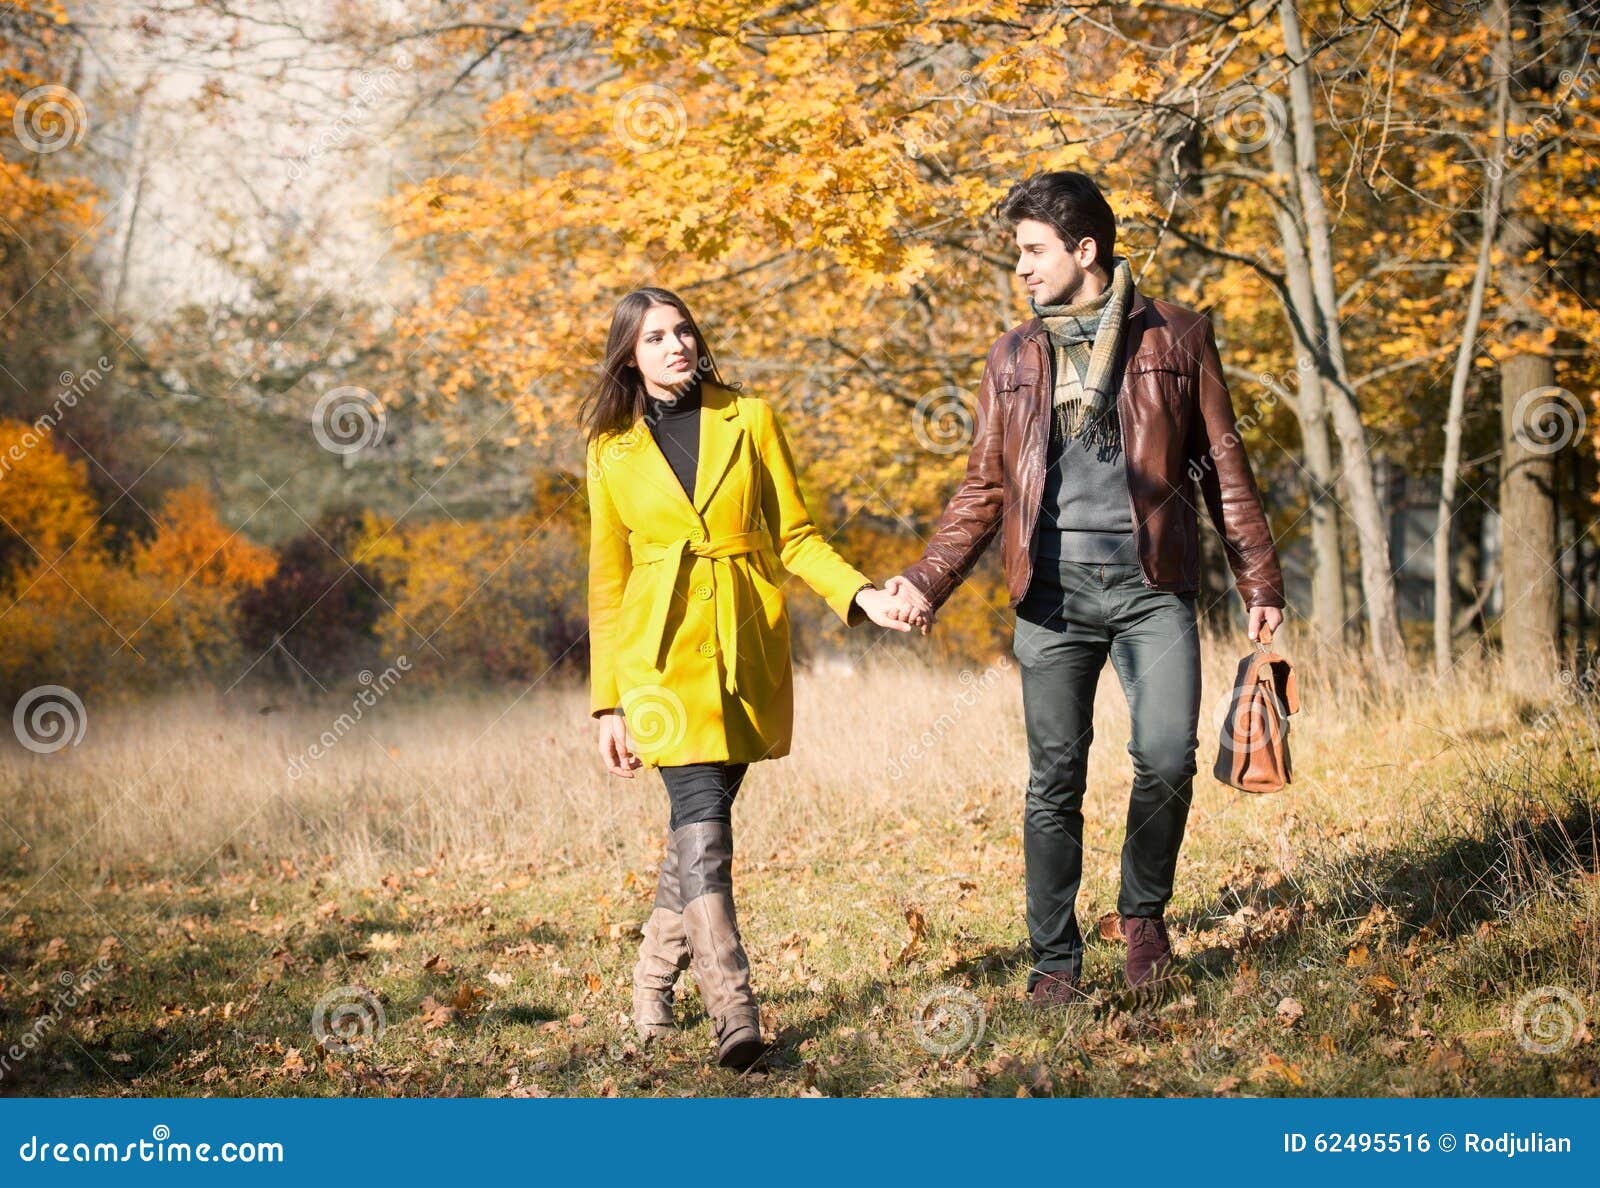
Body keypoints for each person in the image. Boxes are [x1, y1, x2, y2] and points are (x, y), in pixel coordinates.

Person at [883, 172, 1287, 1005]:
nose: (1022, 270)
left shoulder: (1178, 337)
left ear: (1086, 250)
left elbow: (1225, 468)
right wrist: (928, 581)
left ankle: (1142, 919)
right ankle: (1054, 959)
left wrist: (1258, 574)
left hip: (1153, 586)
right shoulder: (1012, 356)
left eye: (1034, 252)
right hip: (1052, 594)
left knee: (1168, 756)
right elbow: (986, 489)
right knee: (1055, 779)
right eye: (1019, 255)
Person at [581, 287, 920, 1068]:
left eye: (683, 330)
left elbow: (795, 535)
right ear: (629, 357)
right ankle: (735, 1010)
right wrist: (609, 704)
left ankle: (650, 982)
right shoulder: (609, 451)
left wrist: (861, 595)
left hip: (744, 646)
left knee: (696, 830)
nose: (675, 345)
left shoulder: (751, 417)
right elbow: (606, 582)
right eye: (655, 337)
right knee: (704, 820)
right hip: (658, 658)